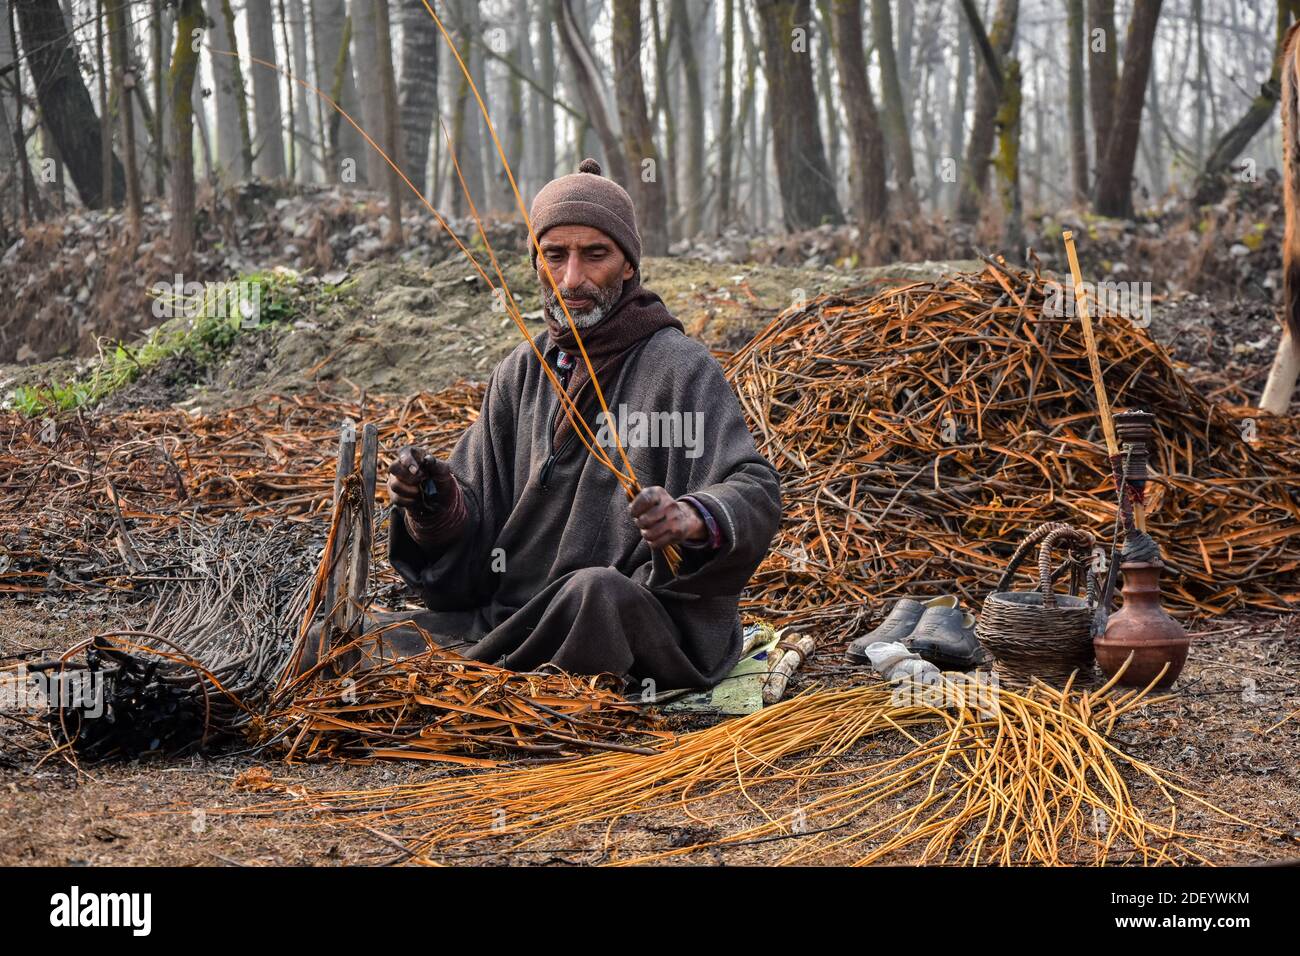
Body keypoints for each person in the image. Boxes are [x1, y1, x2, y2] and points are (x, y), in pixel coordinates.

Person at [324, 158, 781, 691]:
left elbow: (754, 488)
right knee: (333, 643)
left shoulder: (679, 367)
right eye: (554, 255)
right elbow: (473, 513)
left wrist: (690, 519)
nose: (572, 279)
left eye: (595, 256)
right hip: (508, 620)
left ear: (629, 264)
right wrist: (432, 498)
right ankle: (485, 673)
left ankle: (471, 679)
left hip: (634, 621)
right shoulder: (521, 371)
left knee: (595, 594)